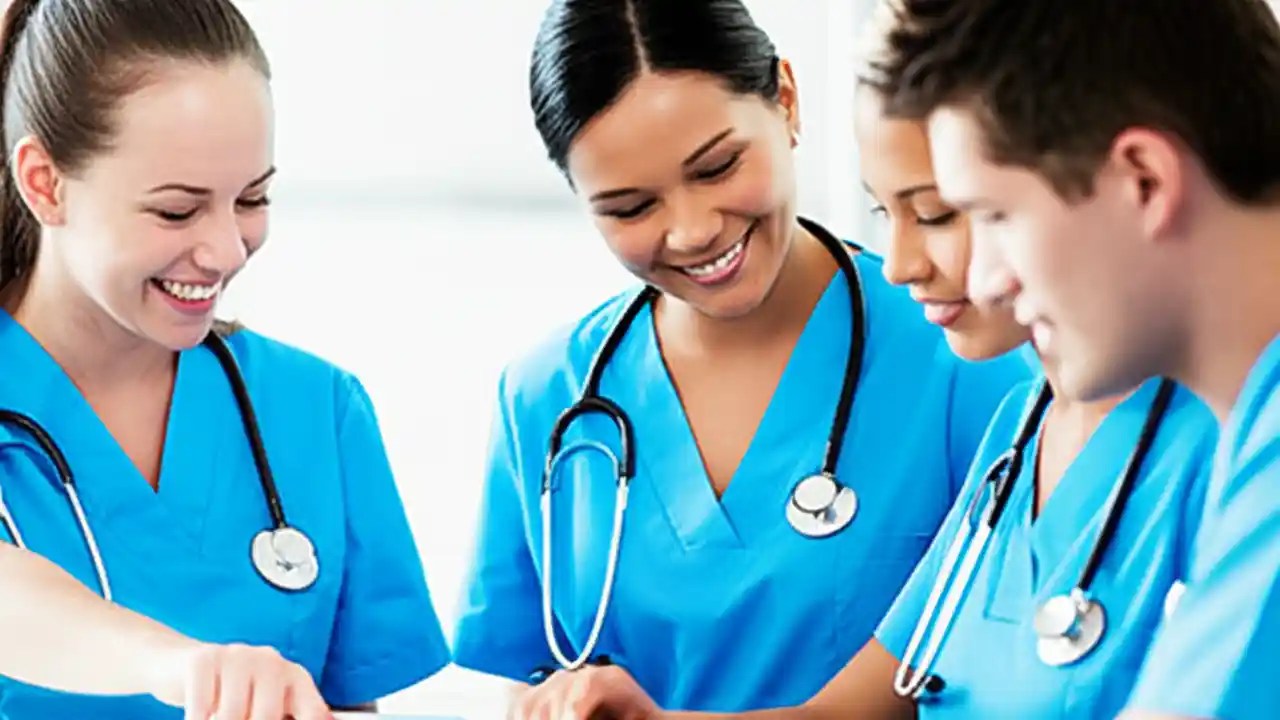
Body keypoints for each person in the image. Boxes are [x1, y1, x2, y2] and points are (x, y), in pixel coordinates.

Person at [502, 40, 1219, 720]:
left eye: (939, 213)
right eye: (883, 211)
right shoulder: (1022, 435)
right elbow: (857, 707)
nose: (901, 263)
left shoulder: (1215, 447)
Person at [451, 0, 1031, 715]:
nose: (692, 231)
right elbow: (522, 671)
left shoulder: (970, 355)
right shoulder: (546, 397)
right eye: (631, 208)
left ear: (786, 100)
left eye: (719, 166)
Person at [0, 0, 450, 717]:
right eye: (177, 211)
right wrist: (179, 666)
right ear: (45, 183)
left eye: (252, 198)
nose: (227, 250)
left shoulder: (314, 411)